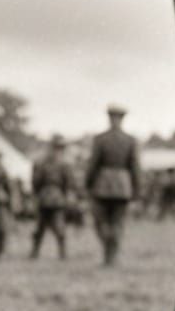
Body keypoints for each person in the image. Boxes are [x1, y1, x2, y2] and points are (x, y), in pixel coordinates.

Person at [86, 105, 141, 266]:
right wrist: (137, 190)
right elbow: (135, 167)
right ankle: (112, 256)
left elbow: (93, 165)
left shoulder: (100, 139)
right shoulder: (130, 140)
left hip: (102, 185)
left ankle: (108, 254)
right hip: (123, 185)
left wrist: (88, 184)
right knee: (117, 222)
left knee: (101, 221)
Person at [30, 134, 74, 260]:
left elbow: (68, 183)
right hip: (49, 198)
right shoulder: (42, 164)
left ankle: (62, 253)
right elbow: (36, 182)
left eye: (60, 148)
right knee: (39, 228)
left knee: (59, 227)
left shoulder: (64, 165)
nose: (58, 151)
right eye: (57, 147)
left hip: (53, 199)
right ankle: (35, 252)